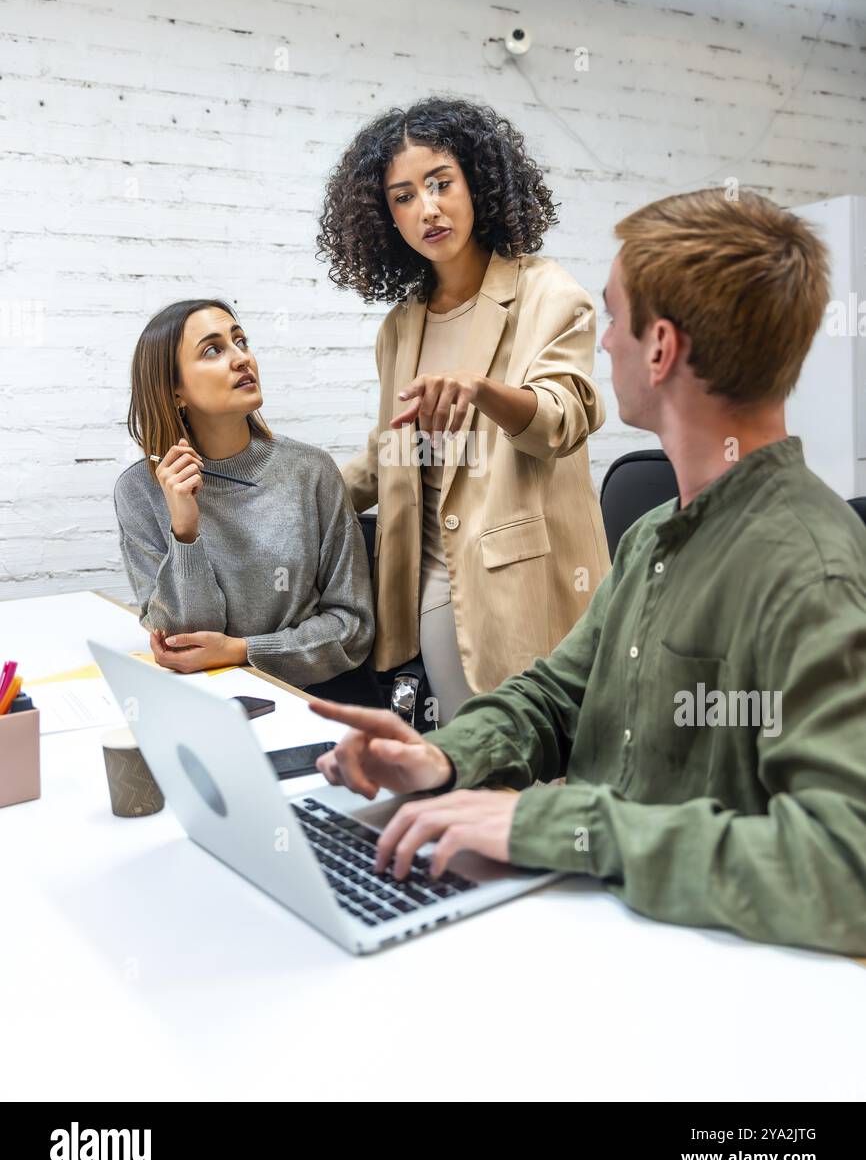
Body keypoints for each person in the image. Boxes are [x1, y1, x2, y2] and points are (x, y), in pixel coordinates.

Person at [307, 187, 866, 956]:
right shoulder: (649, 538)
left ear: (661, 348)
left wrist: (551, 824)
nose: (604, 343)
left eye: (613, 317)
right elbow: (557, 697)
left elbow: (845, 868)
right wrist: (441, 757)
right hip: (602, 926)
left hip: (695, 974)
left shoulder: (810, 569)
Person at [318, 96, 609, 726]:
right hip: (424, 572)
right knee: (470, 759)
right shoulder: (401, 327)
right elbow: (392, 454)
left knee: (526, 767)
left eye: (440, 183)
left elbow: (562, 420)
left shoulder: (547, 294)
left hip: (514, 572)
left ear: (476, 181)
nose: (426, 208)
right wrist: (287, 494)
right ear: (385, 217)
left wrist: (482, 390)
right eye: (402, 196)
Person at [113, 298, 379, 702]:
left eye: (241, 341)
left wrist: (242, 651)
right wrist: (184, 530)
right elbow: (185, 640)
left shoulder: (311, 471)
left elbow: (352, 628)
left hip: (312, 700)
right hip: (206, 702)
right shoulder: (140, 491)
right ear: (175, 391)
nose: (241, 358)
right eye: (213, 350)